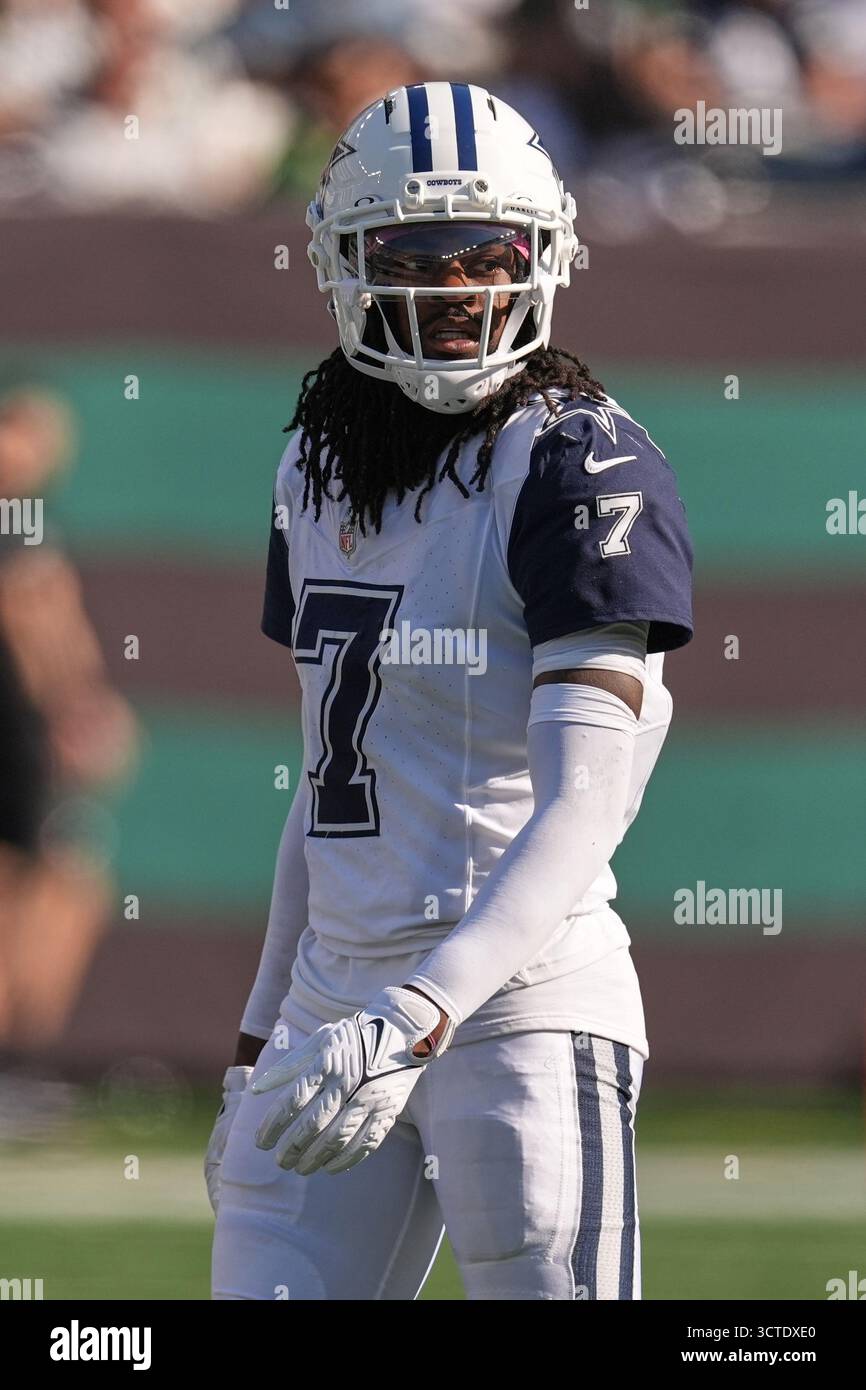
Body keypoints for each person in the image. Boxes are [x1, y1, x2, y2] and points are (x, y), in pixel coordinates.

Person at [207, 81, 693, 1301]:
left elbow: (585, 800)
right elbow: (327, 790)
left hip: (518, 999)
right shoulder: (316, 461)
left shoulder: (578, 456)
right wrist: (258, 1037)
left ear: (544, 255)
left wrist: (420, 1012)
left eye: (488, 249)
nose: (457, 285)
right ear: (346, 263)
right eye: (415, 253)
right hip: (334, 994)